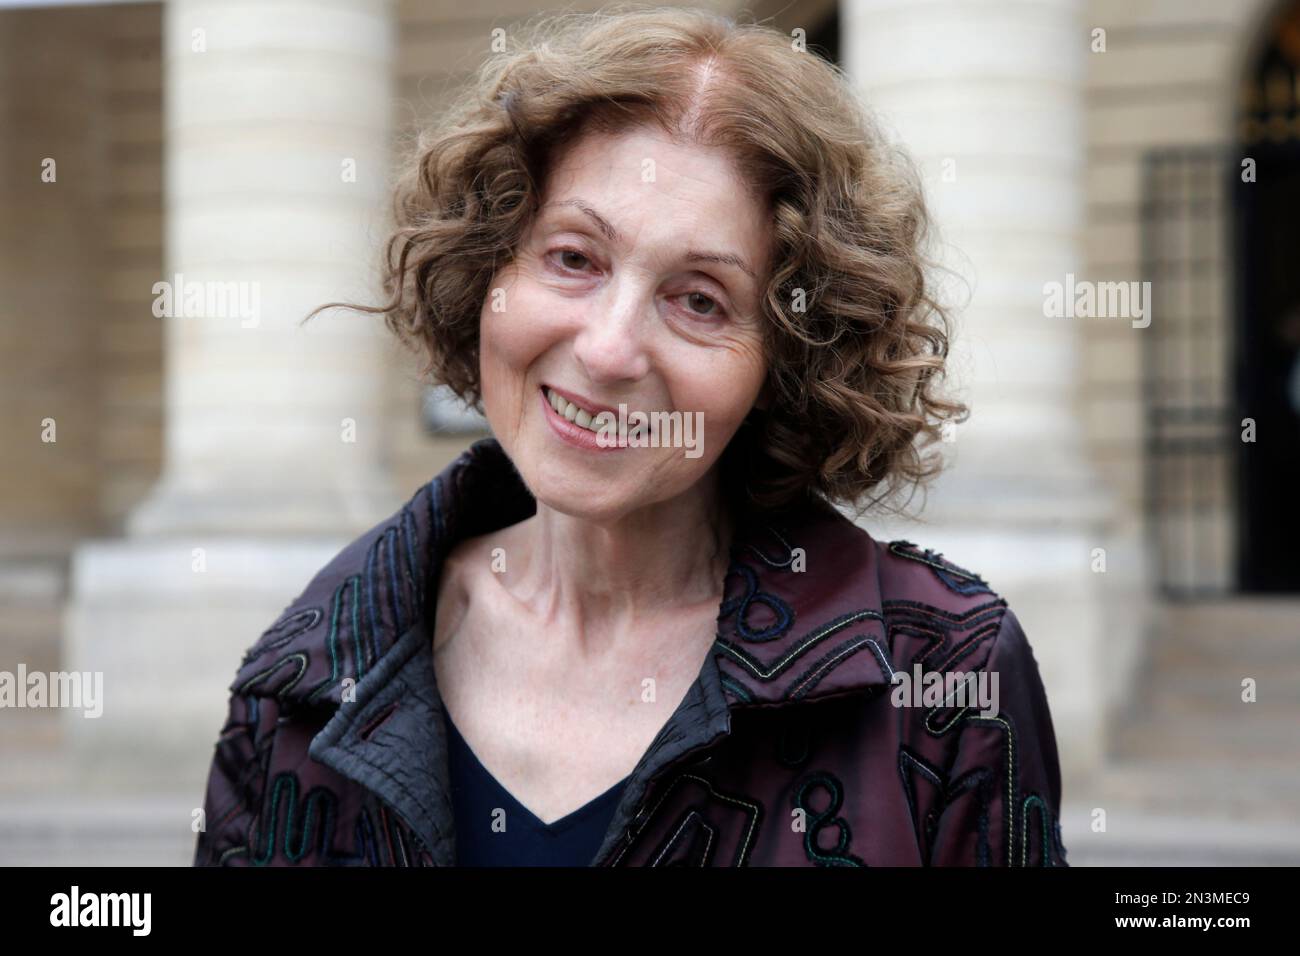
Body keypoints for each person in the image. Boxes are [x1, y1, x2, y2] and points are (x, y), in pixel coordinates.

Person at [193, 4, 1067, 867]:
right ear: (488, 267)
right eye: (573, 258)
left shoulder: (944, 674)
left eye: (699, 300)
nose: (608, 349)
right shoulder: (305, 673)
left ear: (791, 362)